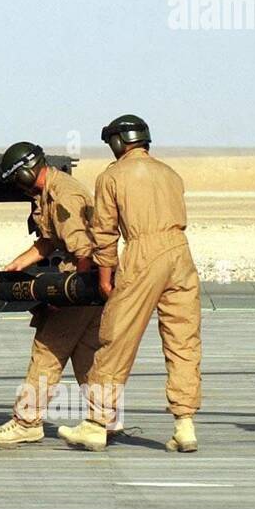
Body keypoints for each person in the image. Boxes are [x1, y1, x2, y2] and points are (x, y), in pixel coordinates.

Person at [59, 115, 203, 453]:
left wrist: (107, 278)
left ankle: (96, 423)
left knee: (115, 338)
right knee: (183, 340)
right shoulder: (170, 174)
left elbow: (105, 235)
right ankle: (185, 424)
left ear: (118, 142)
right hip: (180, 253)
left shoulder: (112, 176)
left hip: (143, 252)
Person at [0, 142, 104, 445]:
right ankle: (104, 419)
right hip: (90, 283)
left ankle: (27, 421)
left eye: (17, 180)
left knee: (47, 350)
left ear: (25, 173)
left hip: (83, 279)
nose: (18, 187)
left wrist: (69, 294)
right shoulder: (49, 192)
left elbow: (83, 250)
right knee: (87, 355)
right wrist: (17, 265)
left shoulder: (64, 194)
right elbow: (49, 241)